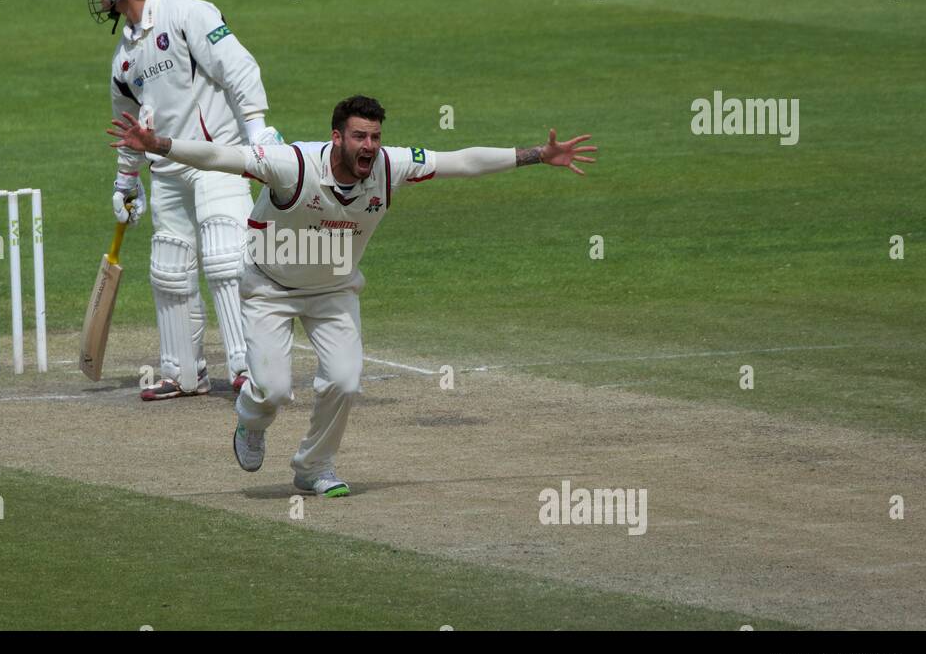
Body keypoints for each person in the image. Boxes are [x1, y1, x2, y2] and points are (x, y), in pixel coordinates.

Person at [107, 95, 598, 496]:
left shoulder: (390, 166)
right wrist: (161, 145)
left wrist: (536, 154)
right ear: (337, 137)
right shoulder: (291, 164)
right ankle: (250, 422)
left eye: (376, 137)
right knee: (273, 390)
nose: (370, 146)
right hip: (268, 287)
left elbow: (461, 162)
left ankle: (314, 467)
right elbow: (222, 156)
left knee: (345, 380)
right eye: (360, 136)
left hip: (335, 289)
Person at [85, 0, 284, 400]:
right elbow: (129, 129)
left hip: (217, 155)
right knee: (169, 270)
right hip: (166, 166)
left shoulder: (187, 14)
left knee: (225, 259)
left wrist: (257, 128)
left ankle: (247, 367)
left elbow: (238, 66)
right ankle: (183, 373)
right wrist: (126, 180)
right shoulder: (122, 60)